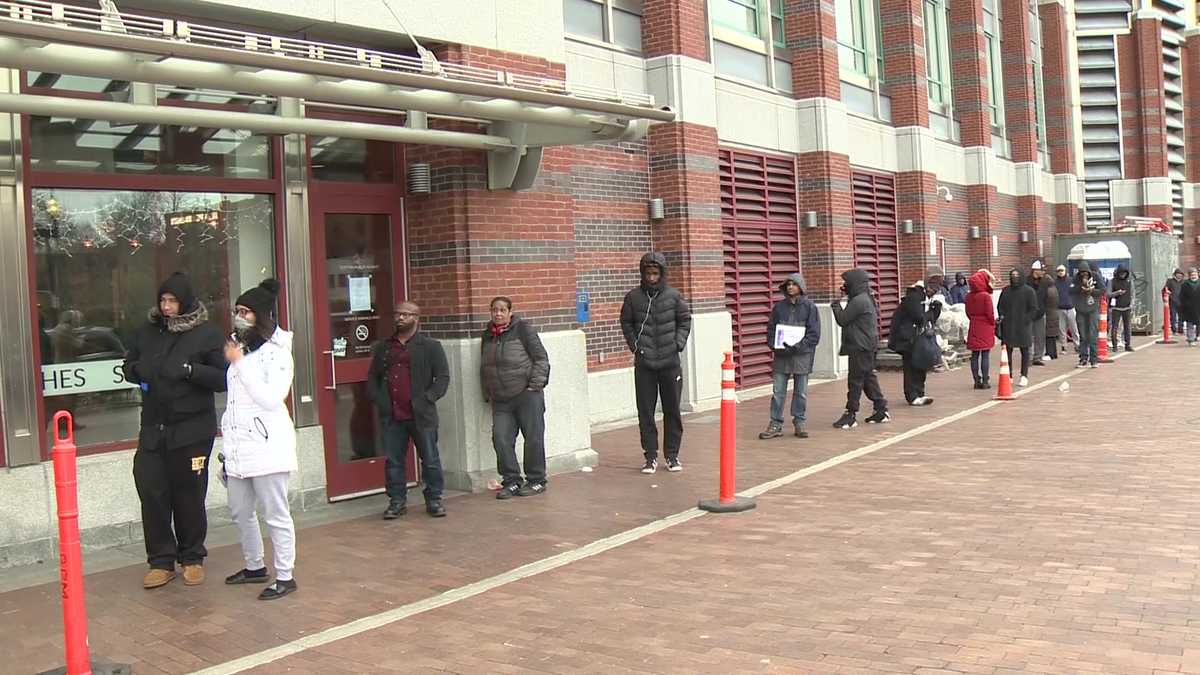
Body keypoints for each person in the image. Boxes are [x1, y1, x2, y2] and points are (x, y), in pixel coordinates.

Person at [121, 272, 227, 590]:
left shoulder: (207, 334)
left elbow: (223, 378)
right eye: (163, 301)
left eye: (173, 301)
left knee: (189, 494)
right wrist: (140, 372)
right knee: (152, 492)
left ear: (185, 302)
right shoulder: (147, 332)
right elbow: (128, 366)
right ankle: (160, 561)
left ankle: (192, 557)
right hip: (154, 427)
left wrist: (190, 370)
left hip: (192, 429)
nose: (167, 307)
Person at [219, 279, 299, 600]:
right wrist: (227, 448)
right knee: (239, 510)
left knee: (275, 513)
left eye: (246, 312)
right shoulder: (241, 349)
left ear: (262, 316)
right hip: (239, 448)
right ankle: (254, 566)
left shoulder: (277, 355)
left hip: (268, 447)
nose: (239, 316)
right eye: (237, 311)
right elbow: (233, 403)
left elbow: (270, 399)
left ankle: (285, 574)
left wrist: (240, 364)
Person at [367, 301, 449, 518]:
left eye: (405, 314)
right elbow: (373, 377)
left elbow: (442, 378)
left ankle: (434, 499)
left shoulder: (431, 346)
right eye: (397, 314)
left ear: (416, 318)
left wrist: (428, 398)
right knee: (394, 461)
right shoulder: (385, 347)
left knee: (430, 459)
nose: (400, 318)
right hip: (393, 415)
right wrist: (378, 399)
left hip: (421, 414)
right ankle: (397, 501)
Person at [620, 252, 692, 474]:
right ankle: (650, 457)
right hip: (645, 364)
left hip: (670, 362)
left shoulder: (674, 296)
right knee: (646, 413)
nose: (651, 277)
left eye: (655, 273)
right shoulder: (633, 297)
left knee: (672, 411)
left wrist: (677, 344)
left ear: (662, 273)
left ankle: (672, 456)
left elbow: (685, 321)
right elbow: (626, 322)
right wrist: (635, 346)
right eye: (648, 273)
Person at [481, 297, 551, 498]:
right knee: (501, 439)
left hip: (526, 395)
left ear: (510, 312)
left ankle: (537, 480)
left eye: (503, 310)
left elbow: (541, 358)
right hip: (501, 399)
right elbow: (484, 366)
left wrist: (535, 385)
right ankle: (511, 481)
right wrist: (487, 391)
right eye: (494, 310)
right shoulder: (487, 335)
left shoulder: (523, 329)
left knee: (533, 439)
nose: (498, 314)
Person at [759, 273, 821, 439]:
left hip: (802, 356)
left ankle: (799, 421)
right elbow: (771, 330)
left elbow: (814, 334)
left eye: (794, 284)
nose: (790, 287)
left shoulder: (810, 307)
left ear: (801, 287)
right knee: (778, 392)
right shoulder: (779, 308)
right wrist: (776, 346)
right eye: (788, 284)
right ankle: (775, 423)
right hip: (782, 356)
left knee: (801, 392)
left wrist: (798, 347)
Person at [831, 268, 889, 429]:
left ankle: (850, 414)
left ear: (854, 283)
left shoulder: (859, 301)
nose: (844, 286)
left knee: (855, 380)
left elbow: (843, 319)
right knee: (868, 378)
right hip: (866, 345)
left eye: (846, 283)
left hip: (860, 346)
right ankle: (881, 409)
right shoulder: (865, 298)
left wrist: (836, 304)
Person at [887, 267, 944, 406]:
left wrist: (936, 309)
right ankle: (912, 395)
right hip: (907, 338)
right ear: (926, 284)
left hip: (919, 338)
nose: (933, 292)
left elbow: (931, 320)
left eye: (936, 290)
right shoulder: (914, 296)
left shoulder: (926, 297)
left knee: (921, 364)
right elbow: (919, 318)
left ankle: (920, 393)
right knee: (910, 366)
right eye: (931, 288)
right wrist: (930, 311)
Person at [997, 268, 1038, 387]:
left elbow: (1033, 308)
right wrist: (1002, 316)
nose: (1014, 277)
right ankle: (1008, 375)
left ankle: (1024, 375)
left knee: (1025, 351)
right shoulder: (1006, 291)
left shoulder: (1029, 291)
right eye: (1012, 275)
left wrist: (1027, 319)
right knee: (1007, 351)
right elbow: (1000, 306)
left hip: (1023, 326)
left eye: (1016, 275)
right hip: (1009, 325)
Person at [965, 269, 996, 389]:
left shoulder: (968, 296)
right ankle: (985, 380)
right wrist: (993, 323)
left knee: (975, 354)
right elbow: (990, 313)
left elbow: (967, 312)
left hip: (974, 326)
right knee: (985, 354)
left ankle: (976, 379)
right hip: (985, 327)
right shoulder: (985, 296)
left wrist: (974, 319)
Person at [1070, 261, 1105, 366]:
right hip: (1080, 309)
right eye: (1081, 273)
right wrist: (1081, 288)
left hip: (1093, 308)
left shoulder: (1096, 277)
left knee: (1093, 334)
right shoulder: (1076, 279)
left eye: (1085, 272)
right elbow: (1071, 290)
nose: (1083, 275)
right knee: (1083, 335)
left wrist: (1092, 291)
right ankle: (1083, 358)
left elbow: (1103, 290)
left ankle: (1094, 359)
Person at [1027, 261, 1052, 366]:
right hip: (1028, 313)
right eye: (1041, 270)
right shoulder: (1026, 282)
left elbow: (1046, 297)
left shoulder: (1044, 282)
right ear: (1035, 270)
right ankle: (1028, 356)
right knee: (1028, 336)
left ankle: (1037, 356)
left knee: (1040, 336)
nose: (1043, 273)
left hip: (1040, 313)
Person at [1109, 264, 1133, 352]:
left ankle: (1128, 344)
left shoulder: (1129, 281)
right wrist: (1117, 293)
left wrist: (1132, 304)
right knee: (1114, 327)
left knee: (1127, 327)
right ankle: (1114, 345)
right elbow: (1108, 294)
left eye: (1124, 273)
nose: (1122, 275)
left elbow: (1132, 293)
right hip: (1116, 308)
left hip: (1127, 307)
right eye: (1121, 273)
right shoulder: (1112, 281)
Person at [1054, 265, 1077, 350]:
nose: (1060, 272)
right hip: (1060, 308)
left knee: (1074, 328)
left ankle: (1077, 345)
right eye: (1058, 271)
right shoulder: (1055, 283)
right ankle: (1063, 346)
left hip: (1071, 308)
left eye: (1062, 270)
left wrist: (1074, 303)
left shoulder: (1071, 281)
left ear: (1065, 271)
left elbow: (1076, 292)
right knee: (1062, 329)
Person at [1179, 268, 1200, 346]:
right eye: (1192, 274)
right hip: (1189, 307)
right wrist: (1184, 305)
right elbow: (1182, 296)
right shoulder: (1185, 284)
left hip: (1199, 306)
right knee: (1190, 324)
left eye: (1195, 274)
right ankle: (1191, 339)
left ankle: (1197, 336)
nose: (1193, 276)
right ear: (1189, 275)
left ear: (1197, 274)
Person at [1044, 275, 1060, 360]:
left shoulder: (1047, 291)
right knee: (1052, 336)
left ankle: (1049, 353)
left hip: (1049, 314)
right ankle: (1053, 353)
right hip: (1054, 313)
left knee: (1049, 336)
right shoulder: (1054, 289)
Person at [1165, 268, 1184, 336]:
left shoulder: (1184, 282)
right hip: (1172, 301)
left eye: (1180, 274)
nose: (1179, 275)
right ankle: (1174, 330)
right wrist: (1167, 292)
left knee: (1181, 317)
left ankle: (1181, 330)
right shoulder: (1170, 281)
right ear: (1175, 274)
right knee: (1173, 316)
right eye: (1178, 274)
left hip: (1182, 301)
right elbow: (1166, 289)